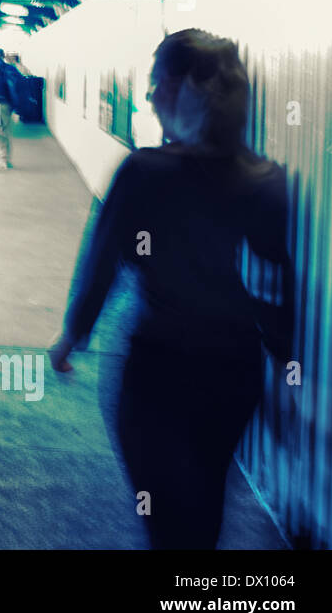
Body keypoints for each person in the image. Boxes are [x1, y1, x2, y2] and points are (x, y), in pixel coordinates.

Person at [49, 29, 294, 549]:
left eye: (155, 83)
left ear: (180, 88)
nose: (147, 96)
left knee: (163, 517)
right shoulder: (267, 179)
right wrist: (281, 371)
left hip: (158, 374)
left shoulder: (143, 172)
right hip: (234, 375)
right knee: (204, 512)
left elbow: (103, 263)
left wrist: (73, 335)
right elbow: (277, 292)